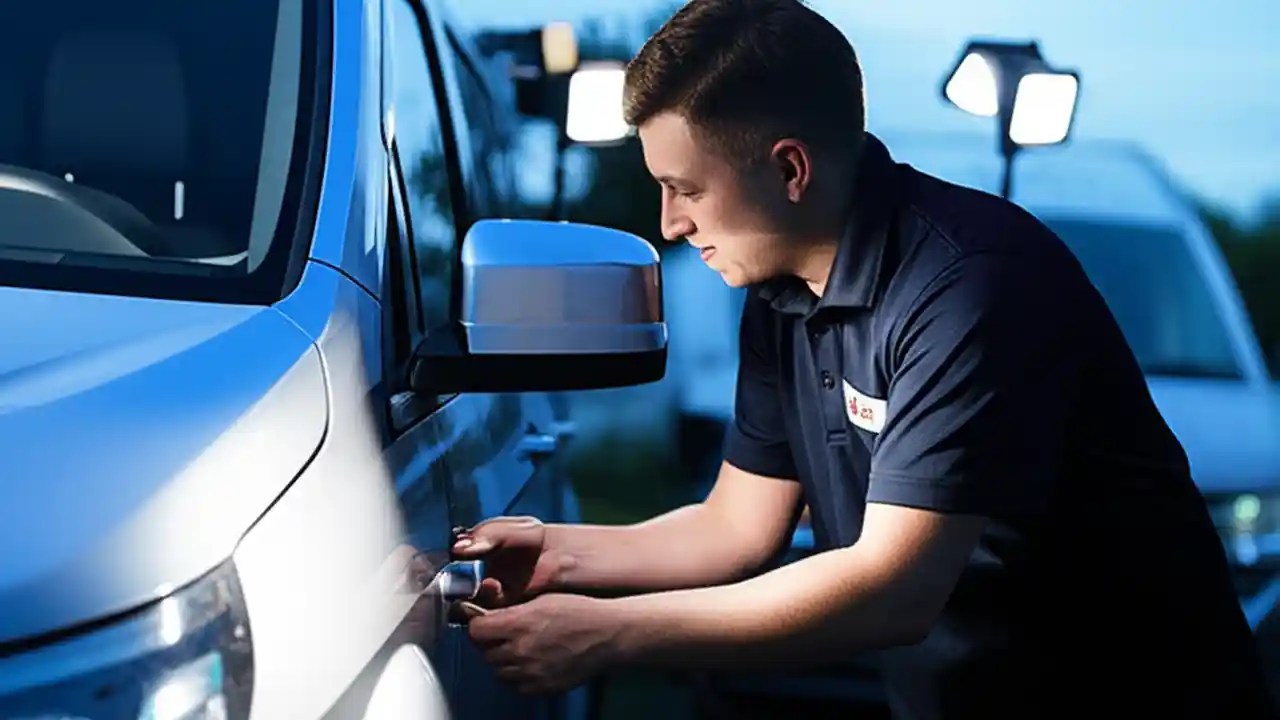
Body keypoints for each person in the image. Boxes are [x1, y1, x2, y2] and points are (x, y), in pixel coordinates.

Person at [450, 0, 1276, 717]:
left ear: (790, 170)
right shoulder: (779, 295)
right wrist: (556, 552)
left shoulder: (970, 287)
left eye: (687, 189)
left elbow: (893, 591)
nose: (669, 223)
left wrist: (611, 635)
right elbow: (734, 528)